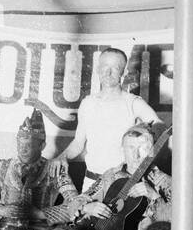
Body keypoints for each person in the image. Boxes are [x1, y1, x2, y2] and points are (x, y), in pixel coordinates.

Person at [64, 47, 159, 193]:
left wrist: (143, 152)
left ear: (124, 72)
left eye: (115, 68)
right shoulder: (87, 103)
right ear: (97, 68)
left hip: (121, 184)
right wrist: (61, 157)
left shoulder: (133, 103)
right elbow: (78, 143)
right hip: (90, 183)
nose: (108, 73)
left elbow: (160, 127)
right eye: (104, 67)